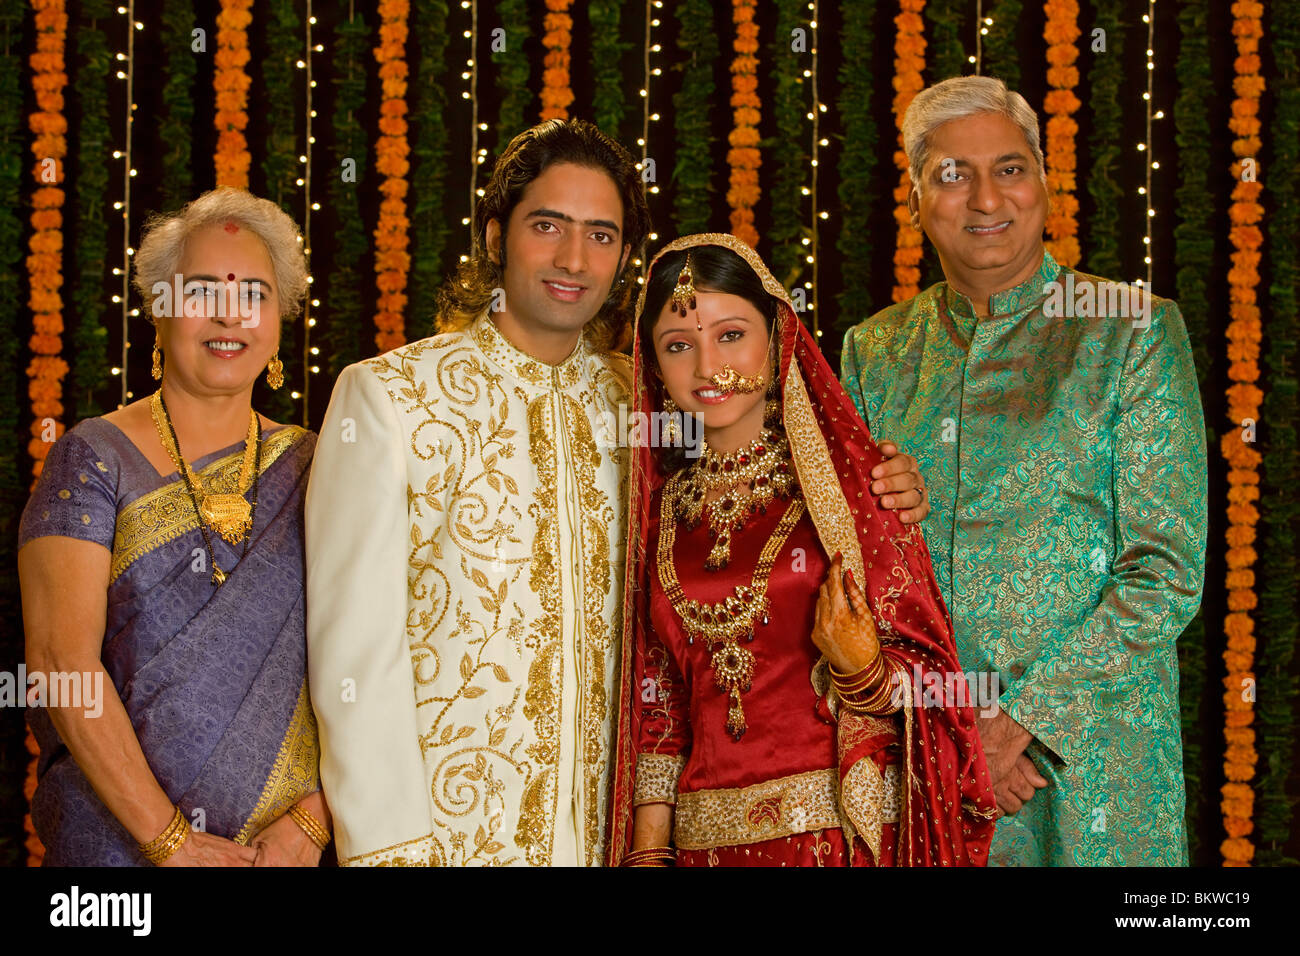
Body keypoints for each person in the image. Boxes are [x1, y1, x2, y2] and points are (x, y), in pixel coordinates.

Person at [840, 75, 1208, 866]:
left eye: (1009, 168)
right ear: (914, 200)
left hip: (1093, 767)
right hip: (927, 759)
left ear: (1043, 183)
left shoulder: (1130, 331)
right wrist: (948, 732)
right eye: (952, 174)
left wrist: (1016, 729)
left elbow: (1166, 570)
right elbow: (864, 570)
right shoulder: (874, 352)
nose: (984, 199)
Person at [605, 233, 997, 867]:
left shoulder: (852, 489)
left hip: (834, 841)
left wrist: (864, 670)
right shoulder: (663, 509)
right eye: (679, 346)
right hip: (704, 848)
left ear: (779, 335)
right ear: (653, 365)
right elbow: (664, 698)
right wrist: (648, 855)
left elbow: (940, 682)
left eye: (731, 335)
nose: (708, 367)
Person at [18, 187, 331, 866]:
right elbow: (59, 663)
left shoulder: (322, 466)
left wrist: (314, 820)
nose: (229, 315)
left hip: (278, 857)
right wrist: (171, 841)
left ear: (280, 319)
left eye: (253, 293)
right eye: (201, 292)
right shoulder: (93, 456)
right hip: (116, 852)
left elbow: (377, 659)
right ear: (158, 312)